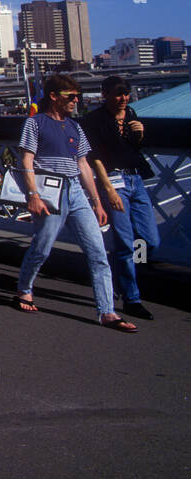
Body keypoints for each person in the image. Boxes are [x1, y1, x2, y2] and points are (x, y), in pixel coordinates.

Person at [13, 74, 135, 332]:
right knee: (42, 248)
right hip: (49, 191)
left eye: (77, 97)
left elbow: (83, 165)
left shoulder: (75, 127)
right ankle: (24, 289)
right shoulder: (35, 124)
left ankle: (107, 312)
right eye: (71, 97)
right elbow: (26, 160)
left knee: (98, 252)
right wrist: (32, 195)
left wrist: (97, 202)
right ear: (54, 96)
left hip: (76, 191)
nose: (76, 101)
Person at [82, 76, 160, 321]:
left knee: (150, 240)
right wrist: (108, 189)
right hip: (114, 182)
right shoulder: (93, 121)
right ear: (105, 94)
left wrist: (139, 135)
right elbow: (94, 158)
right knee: (126, 243)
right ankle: (132, 298)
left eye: (126, 93)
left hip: (136, 180)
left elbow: (129, 150)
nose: (123, 98)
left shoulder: (131, 113)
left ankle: (121, 277)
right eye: (118, 94)